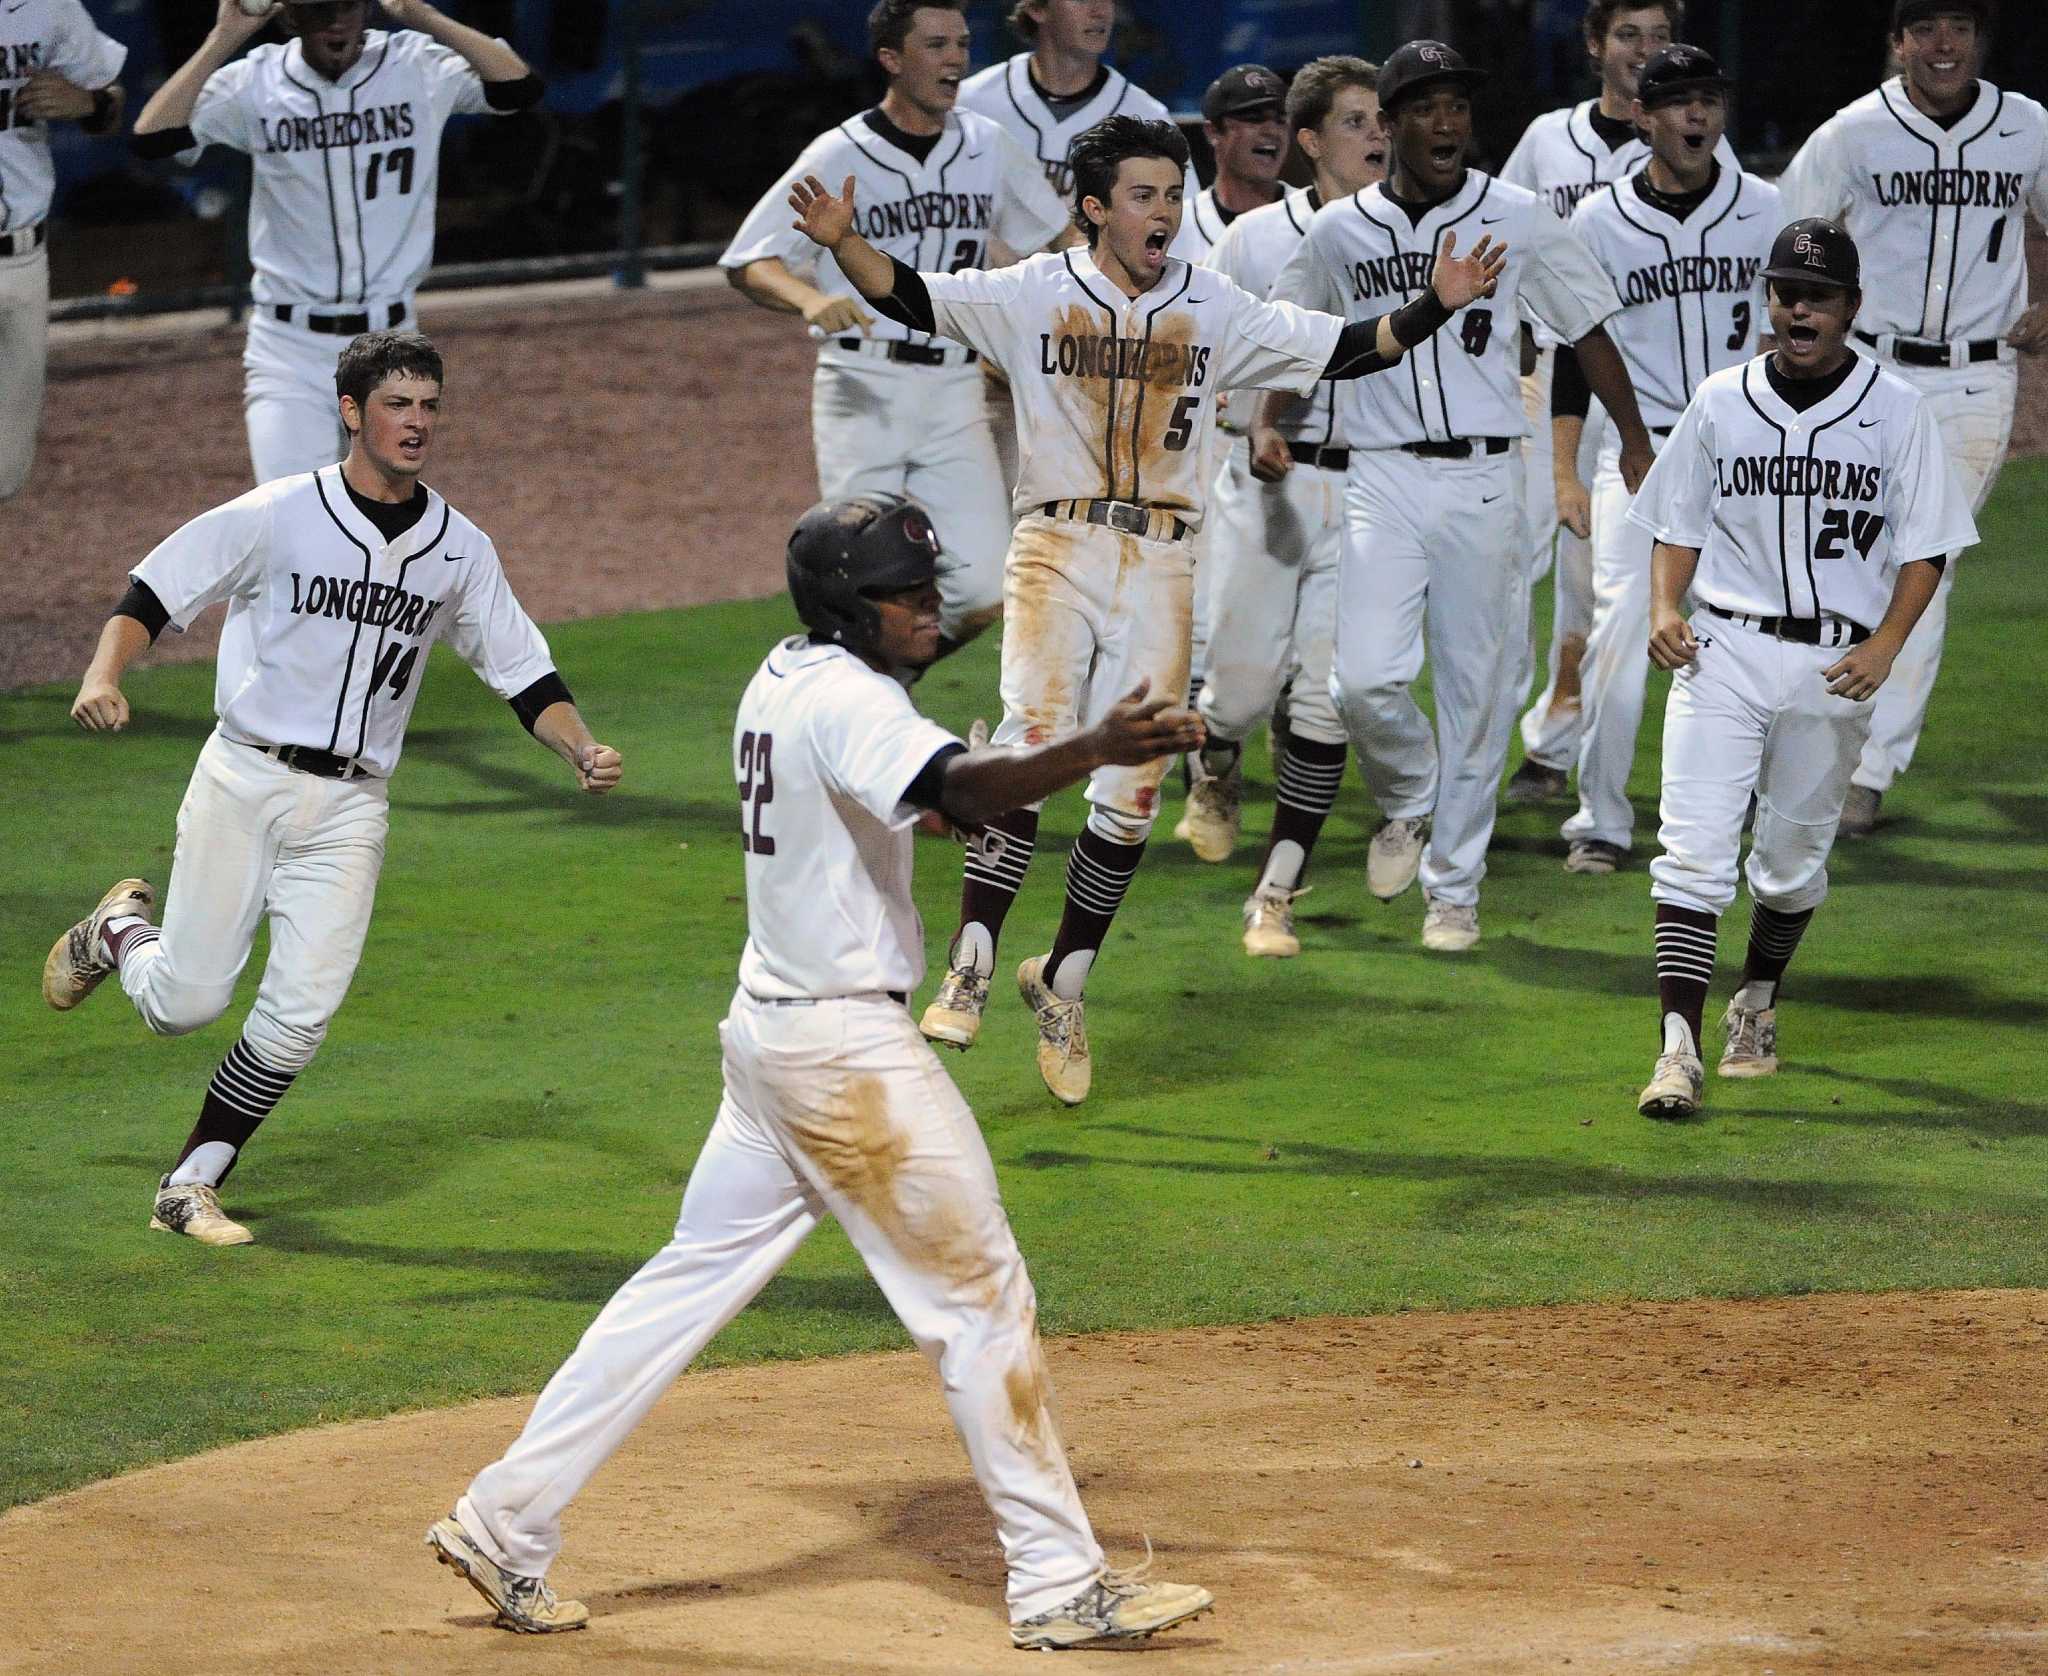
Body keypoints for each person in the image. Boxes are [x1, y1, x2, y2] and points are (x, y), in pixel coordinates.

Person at [427, 493, 1215, 1652]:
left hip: (771, 1037)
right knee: (977, 1296)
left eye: (928, 587)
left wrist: (938, 793)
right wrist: (1092, 748)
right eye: (905, 593)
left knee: (683, 1284)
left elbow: (891, 789)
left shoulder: (784, 671)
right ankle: (1056, 1581)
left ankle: (504, 1516)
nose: (926, 610)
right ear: (850, 605)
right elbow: (954, 787)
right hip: (842, 1056)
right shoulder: (853, 699)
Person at [787, 115, 1502, 1101]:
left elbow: (1344, 349)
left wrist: (1434, 303)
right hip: (1053, 545)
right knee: (1031, 745)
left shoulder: (1213, 304)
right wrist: (840, 243)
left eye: (1171, 193)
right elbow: (910, 299)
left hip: (1166, 560)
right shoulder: (1030, 294)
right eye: (1142, 194)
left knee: (1127, 793)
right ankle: (974, 957)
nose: (1163, 210)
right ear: (1092, 207)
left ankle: (1064, 983)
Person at [43, 331, 621, 1246]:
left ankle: (189, 1184)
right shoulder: (280, 513)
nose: (417, 422)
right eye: (398, 404)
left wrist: (579, 748)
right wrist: (101, 675)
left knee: (302, 1010)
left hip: (353, 805)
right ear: (352, 412)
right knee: (185, 1004)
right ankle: (118, 933)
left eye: (430, 405)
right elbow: (154, 590)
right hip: (246, 777)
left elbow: (524, 673)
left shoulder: (459, 549)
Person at [1270, 41, 1652, 952]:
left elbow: (1587, 325)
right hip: (1383, 477)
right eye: (1427, 107)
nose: (1447, 124)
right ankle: (1410, 792)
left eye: (1459, 107)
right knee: (1361, 679)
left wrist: (1634, 440)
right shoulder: (1337, 232)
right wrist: (1269, 418)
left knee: (1478, 693)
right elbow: (1297, 338)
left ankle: (1455, 888)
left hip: (1487, 477)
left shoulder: (1516, 216)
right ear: (1392, 123)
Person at [1629, 219, 1976, 1119]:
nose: (1799, 308)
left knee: (1786, 868)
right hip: (1724, 648)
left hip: (1832, 661)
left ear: (1851, 309)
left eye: (1818, 296)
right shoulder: (1720, 399)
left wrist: (1886, 645)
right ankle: (1678, 1052)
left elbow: (1931, 546)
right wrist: (1666, 607)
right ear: (1769, 301)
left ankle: (1758, 999)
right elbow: (1677, 520)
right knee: (1693, 855)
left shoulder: (1896, 408)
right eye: (1786, 292)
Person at [720, 0, 1070, 652]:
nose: (956, 60)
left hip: (956, 393)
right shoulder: (838, 152)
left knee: (986, 588)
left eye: (962, 44)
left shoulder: (986, 145)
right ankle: (837, 716)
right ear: (891, 58)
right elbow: (748, 261)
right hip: (864, 387)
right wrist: (807, 299)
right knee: (855, 579)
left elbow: (1056, 236)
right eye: (936, 45)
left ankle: (889, 685)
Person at [1777, 0, 2048, 837]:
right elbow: (1788, 238)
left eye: (1959, 27)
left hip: (1975, 379)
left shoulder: (2027, 126)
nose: (1944, 45)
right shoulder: (1854, 132)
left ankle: (1869, 767)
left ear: (1979, 41)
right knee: (1845, 552)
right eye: (1926, 28)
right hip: (1870, 370)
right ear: (1897, 43)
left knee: (1922, 558)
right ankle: (1812, 736)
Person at [130, 0, 543, 485]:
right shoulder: (256, 81)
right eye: (319, 8)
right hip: (289, 348)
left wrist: (419, 13)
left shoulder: (415, 64)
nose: (335, 21)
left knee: (380, 527)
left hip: (391, 344)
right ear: (290, 18)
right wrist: (225, 37)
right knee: (291, 522)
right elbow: (152, 138)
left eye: (347, 6)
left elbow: (519, 88)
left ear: (367, 11)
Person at [1175, 55, 1388, 958]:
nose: (1378, 136)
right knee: (1241, 691)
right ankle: (1215, 758)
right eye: (1356, 122)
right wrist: (1246, 425)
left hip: (1375, 487)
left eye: (1384, 120)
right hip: (1265, 483)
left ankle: (1275, 895)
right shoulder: (1255, 241)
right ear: (1310, 142)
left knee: (1328, 700)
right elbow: (1206, 354)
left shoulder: (1410, 239)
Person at [1548, 46, 1778, 875]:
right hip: (1637, 454)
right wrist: (1569, 469)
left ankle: (1747, 806)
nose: (1697, 116)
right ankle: (1600, 821)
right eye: (1678, 102)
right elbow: (1576, 352)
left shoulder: (1766, 209)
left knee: (1751, 633)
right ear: (1641, 117)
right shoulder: (1599, 220)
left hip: (1743, 454)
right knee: (1617, 629)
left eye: (1709, 100)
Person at [1497, 0, 1708, 807]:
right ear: (1595, 46)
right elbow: (1500, 242)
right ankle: (1555, 745)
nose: (1644, 50)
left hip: (1649, 392)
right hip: (1563, 379)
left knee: (1611, 587)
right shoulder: (1550, 142)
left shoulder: (1694, 149)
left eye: (1660, 37)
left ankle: (1566, 752)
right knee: (1568, 579)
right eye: (1629, 35)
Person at [0, 0, 125, 500]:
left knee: (8, 471)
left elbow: (109, 102)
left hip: (24, 258)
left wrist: (90, 104)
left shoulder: (47, 5)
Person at [1183, 63, 1289, 260]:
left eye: (1280, 120)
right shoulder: (1179, 227)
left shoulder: (1314, 219)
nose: (1272, 131)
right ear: (1213, 131)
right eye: (1254, 119)